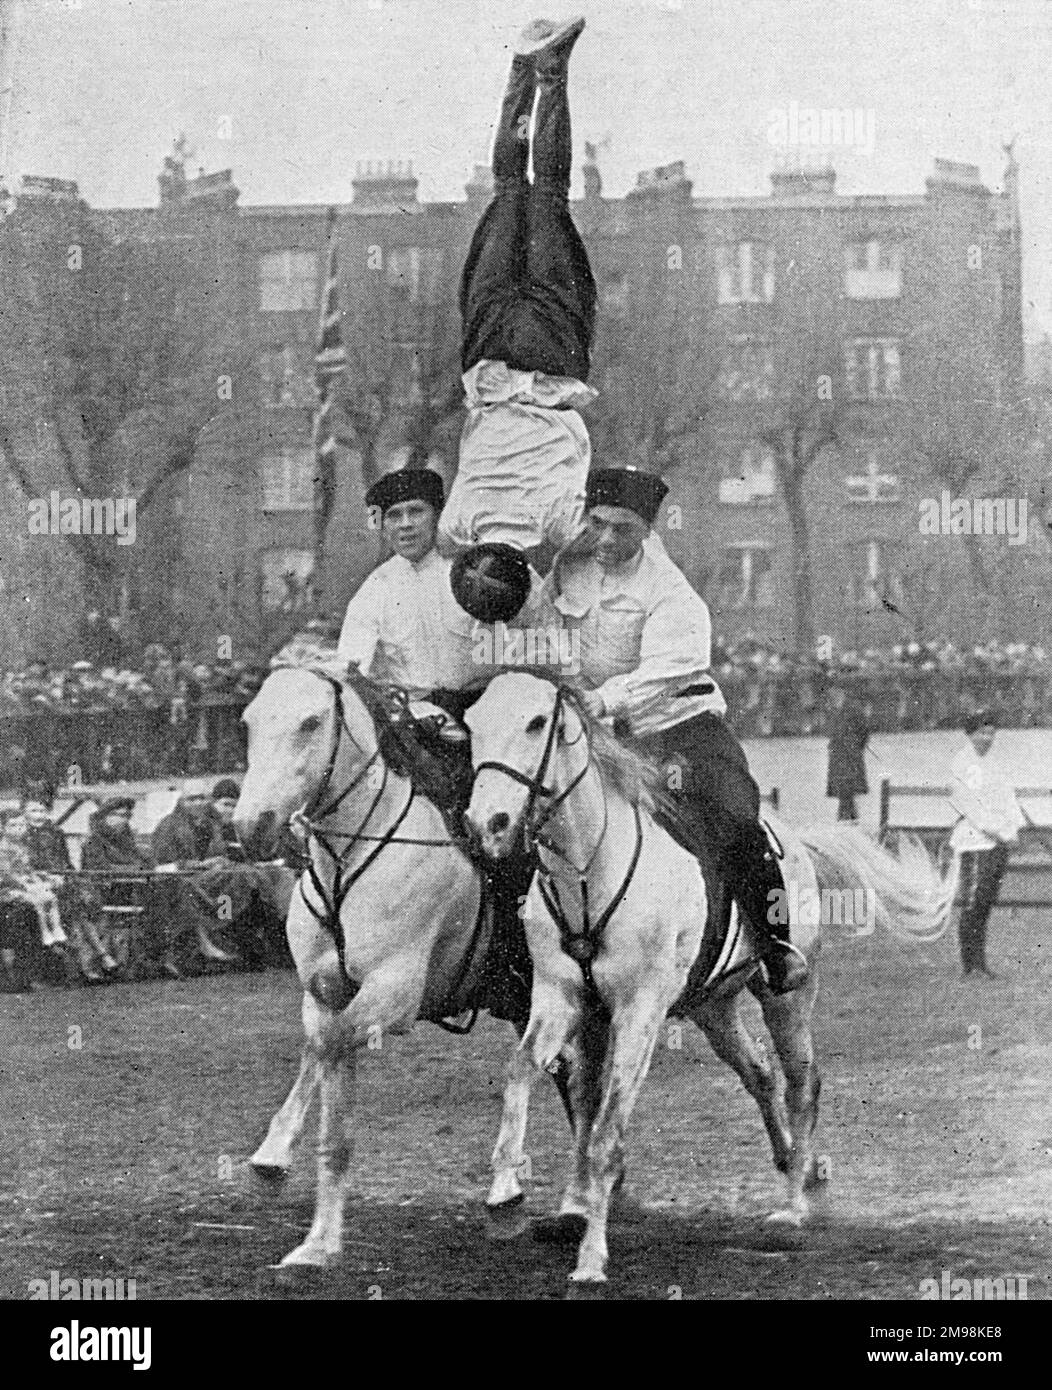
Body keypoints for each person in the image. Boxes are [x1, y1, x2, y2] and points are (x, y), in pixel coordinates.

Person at [546, 466, 809, 994]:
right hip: (601, 731)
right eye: (596, 523)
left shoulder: (673, 594)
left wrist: (601, 698)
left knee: (734, 814)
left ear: (648, 529)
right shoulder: (567, 567)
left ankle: (775, 941)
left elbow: (665, 671)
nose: (604, 538)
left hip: (677, 728)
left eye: (621, 529)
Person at [440, 17, 598, 622]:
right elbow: (455, 545)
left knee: (545, 191)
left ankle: (550, 73)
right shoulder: (461, 526)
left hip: (549, 364)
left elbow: (582, 548)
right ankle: (522, 70)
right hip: (490, 362)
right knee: (511, 189)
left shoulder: (557, 530)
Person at [948, 710, 1023, 979]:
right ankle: (970, 964)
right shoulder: (962, 763)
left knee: (986, 902)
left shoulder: (994, 762)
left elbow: (1009, 798)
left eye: (991, 733)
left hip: (998, 841)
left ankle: (980, 961)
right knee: (973, 902)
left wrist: (1012, 827)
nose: (987, 738)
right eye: (982, 732)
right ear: (969, 734)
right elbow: (968, 805)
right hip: (975, 841)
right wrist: (996, 830)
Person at [21, 784, 118, 983]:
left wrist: (69, 877)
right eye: (33, 810)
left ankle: (94, 961)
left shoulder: (55, 832)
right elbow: (25, 865)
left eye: (42, 810)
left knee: (86, 902)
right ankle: (97, 960)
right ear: (24, 812)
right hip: (38, 883)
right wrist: (49, 878)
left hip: (62, 880)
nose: (38, 815)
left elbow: (66, 862)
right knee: (74, 908)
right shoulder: (22, 834)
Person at [81, 797, 184, 980]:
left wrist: (151, 866)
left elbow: (142, 860)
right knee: (158, 895)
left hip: (135, 885)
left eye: (127, 816)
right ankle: (159, 956)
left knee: (172, 889)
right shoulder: (93, 842)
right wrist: (138, 870)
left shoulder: (126, 840)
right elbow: (101, 870)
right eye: (119, 815)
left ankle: (165, 953)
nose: (124, 820)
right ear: (105, 816)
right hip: (109, 889)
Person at [825, 682, 869, 822]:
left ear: (841, 691)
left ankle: (846, 818)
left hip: (850, 754)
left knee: (847, 788)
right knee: (843, 789)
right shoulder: (833, 709)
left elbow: (864, 730)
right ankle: (848, 817)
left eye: (835, 691)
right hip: (838, 754)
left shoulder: (853, 708)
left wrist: (856, 746)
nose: (832, 694)